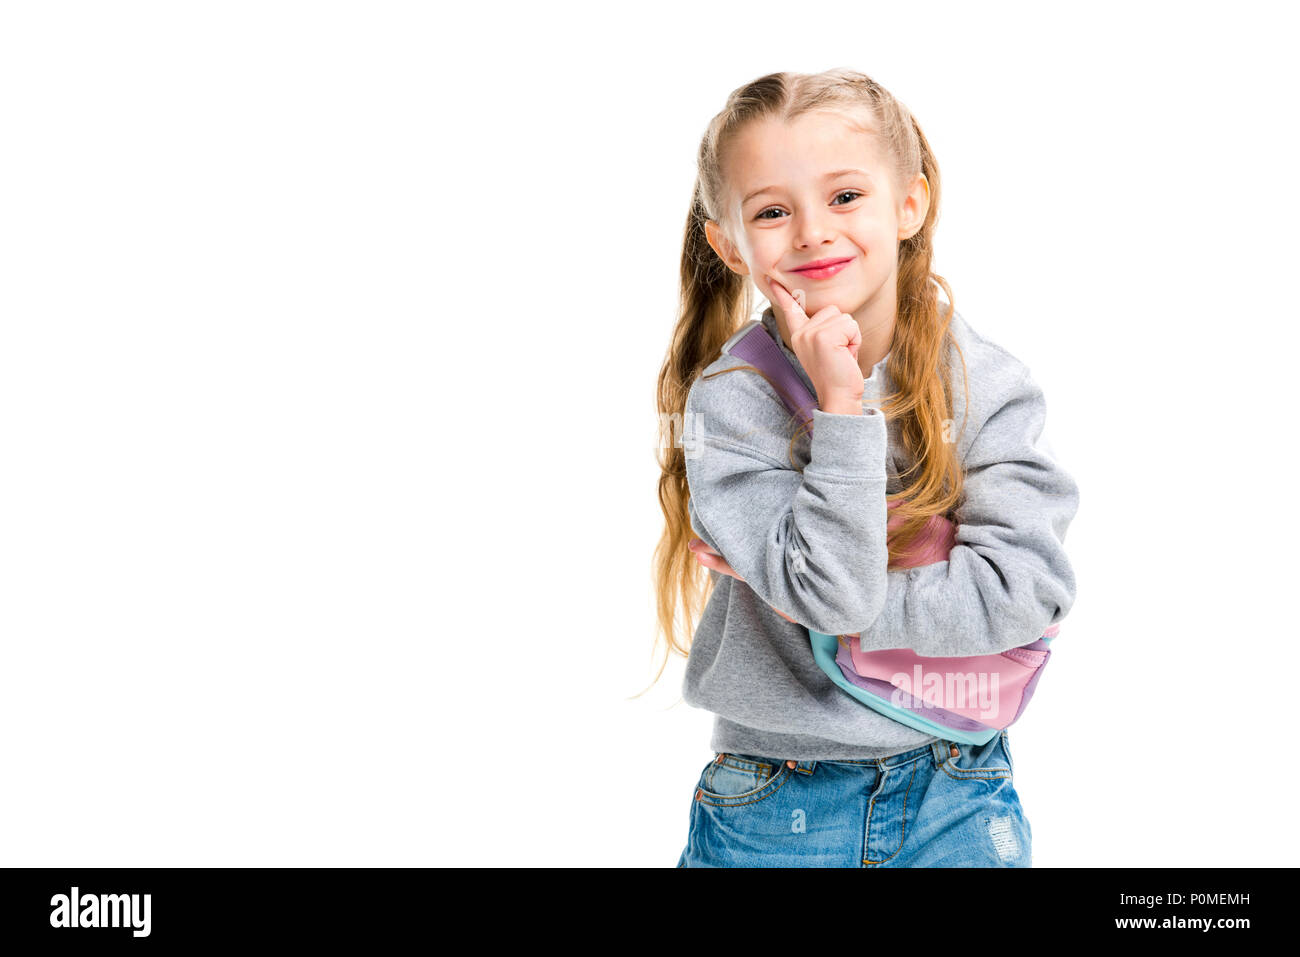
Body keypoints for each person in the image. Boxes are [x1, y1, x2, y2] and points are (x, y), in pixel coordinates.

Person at [650, 68, 1080, 867]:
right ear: (728, 245)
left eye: (845, 197)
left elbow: (1029, 590)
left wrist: (817, 596)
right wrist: (842, 409)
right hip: (775, 800)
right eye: (773, 211)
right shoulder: (734, 403)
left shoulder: (986, 385)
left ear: (908, 205)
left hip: (959, 788)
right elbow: (837, 590)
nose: (813, 231)